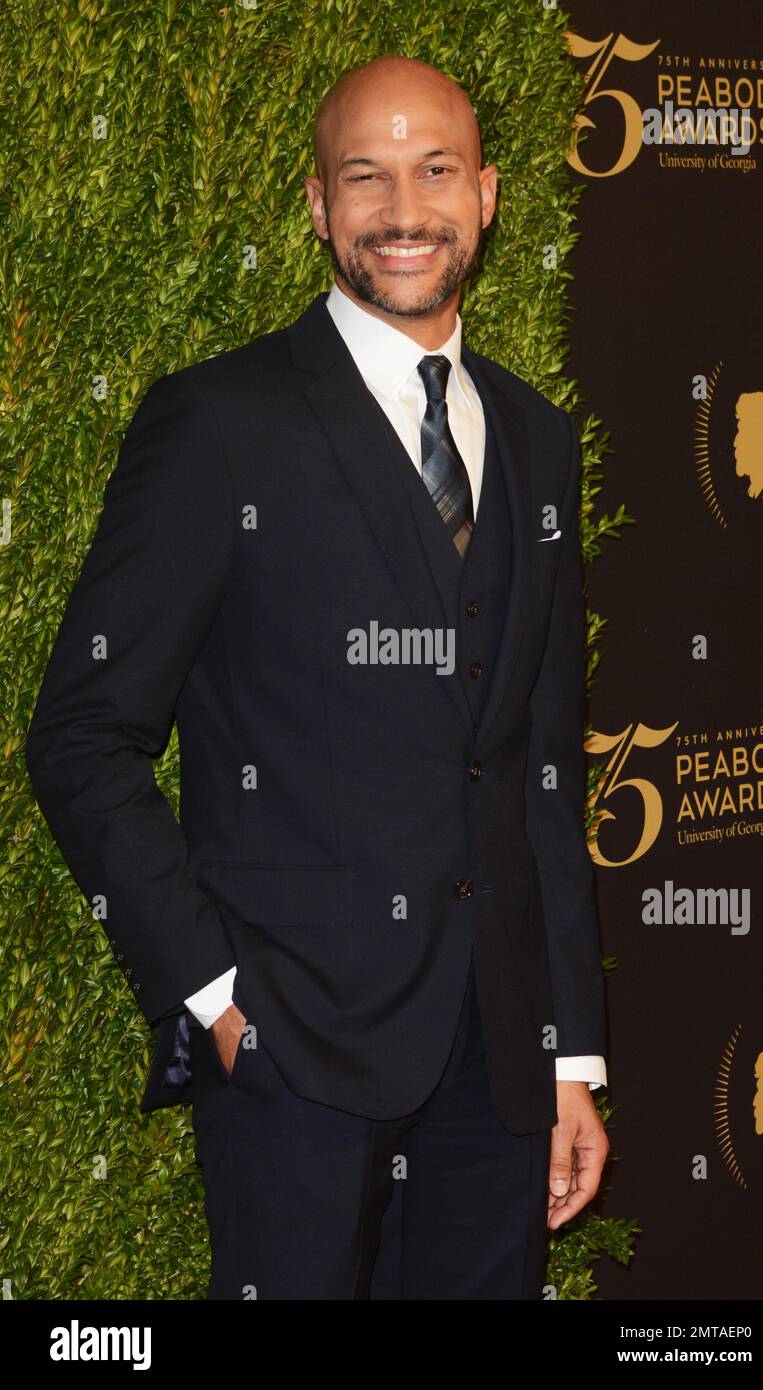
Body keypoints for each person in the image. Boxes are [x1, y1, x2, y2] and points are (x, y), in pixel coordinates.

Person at [26, 53, 609, 1300]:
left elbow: (538, 766)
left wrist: (571, 1056)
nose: (404, 209)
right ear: (316, 206)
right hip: (292, 1056)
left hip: (499, 1065)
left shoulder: (537, 438)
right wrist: (216, 995)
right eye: (366, 176)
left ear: (488, 195)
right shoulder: (219, 421)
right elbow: (82, 730)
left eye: (435, 170)